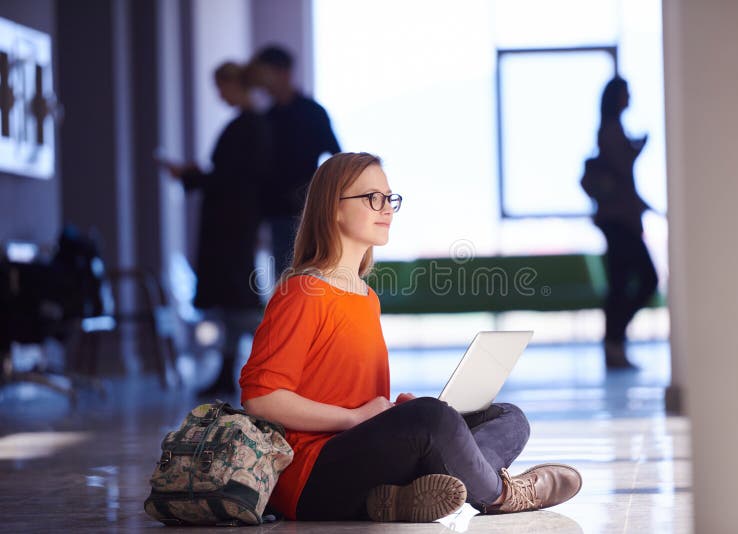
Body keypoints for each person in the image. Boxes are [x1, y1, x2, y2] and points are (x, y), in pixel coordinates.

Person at [239, 152, 582, 522]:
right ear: (333, 208)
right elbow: (261, 399)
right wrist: (355, 418)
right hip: (311, 476)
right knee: (432, 420)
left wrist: (391, 410)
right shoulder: (304, 292)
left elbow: (348, 392)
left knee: (508, 418)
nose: (387, 208)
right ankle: (502, 495)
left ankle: (396, 499)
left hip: (362, 459)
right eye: (373, 198)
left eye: (390, 199)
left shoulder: (366, 297)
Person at [162, 62, 270, 395]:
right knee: (233, 303)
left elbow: (232, 181)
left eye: (221, 87)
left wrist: (194, 177)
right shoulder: (248, 127)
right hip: (233, 226)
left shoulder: (247, 128)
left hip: (231, 229)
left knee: (239, 302)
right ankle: (232, 370)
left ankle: (272, 363)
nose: (219, 95)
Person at [246, 44, 341, 278]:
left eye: (265, 73)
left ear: (283, 72)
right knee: (285, 279)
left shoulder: (312, 113)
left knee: (312, 277)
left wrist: (330, 201)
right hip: (275, 211)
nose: (262, 81)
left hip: (308, 209)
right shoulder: (265, 118)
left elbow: (337, 159)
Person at [592, 76, 658, 370]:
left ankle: (615, 344)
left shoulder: (613, 131)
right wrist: (635, 149)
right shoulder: (609, 131)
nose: (629, 98)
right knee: (643, 279)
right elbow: (621, 170)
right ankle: (614, 342)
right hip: (618, 221)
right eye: (625, 93)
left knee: (621, 283)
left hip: (621, 219)